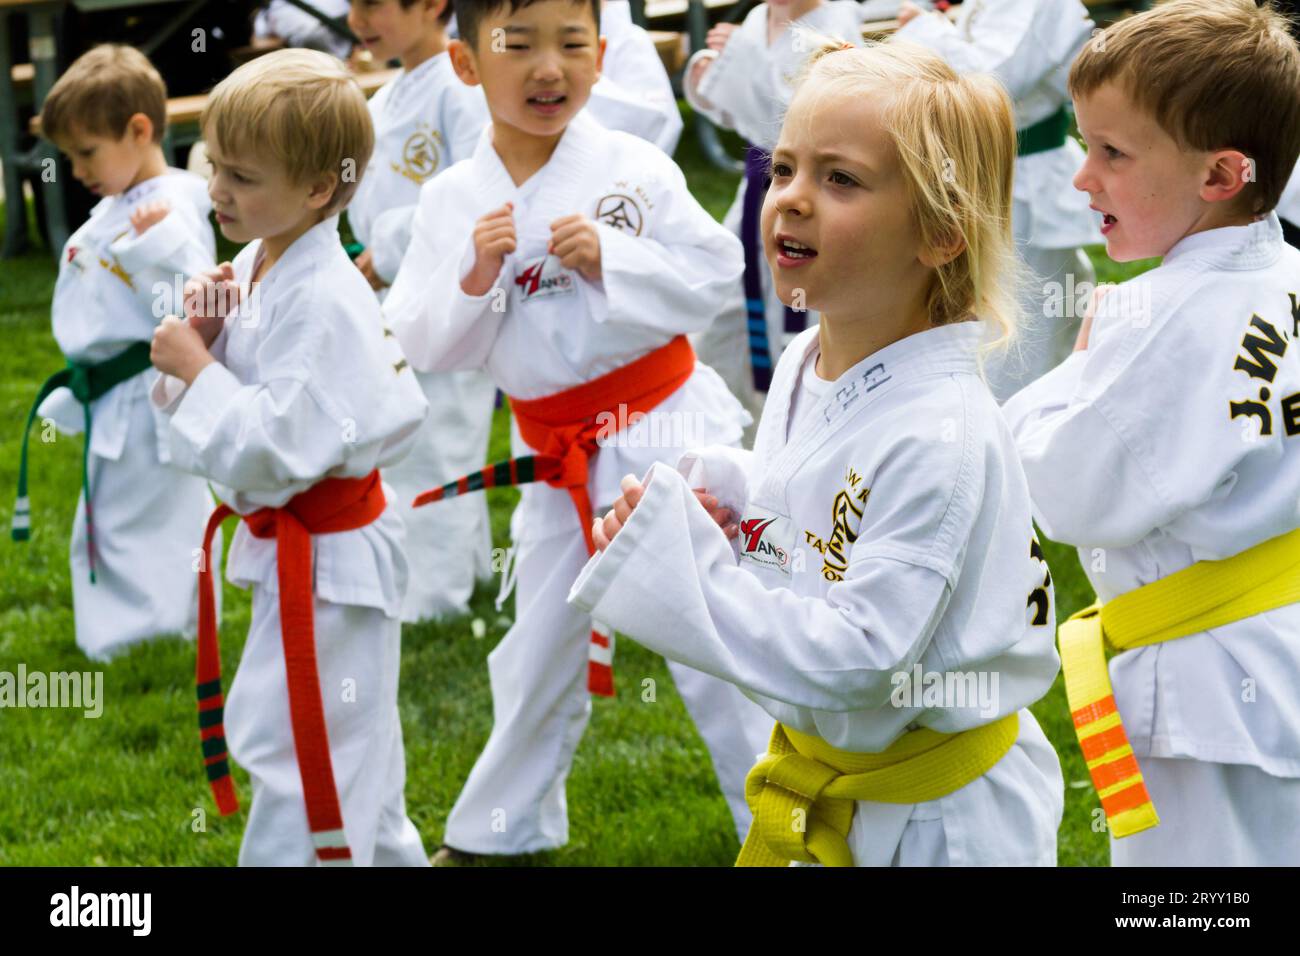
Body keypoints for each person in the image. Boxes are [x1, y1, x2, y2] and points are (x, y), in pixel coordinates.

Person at [571, 38, 1064, 866]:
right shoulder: (812, 356)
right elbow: (811, 502)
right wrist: (729, 507)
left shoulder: (940, 433)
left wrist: (684, 566)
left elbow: (862, 659)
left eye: (841, 179)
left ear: (941, 232)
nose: (790, 198)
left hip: (941, 819)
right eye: (786, 166)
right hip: (849, 781)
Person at [384, 0, 773, 861]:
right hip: (551, 451)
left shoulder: (632, 169)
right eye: (516, 46)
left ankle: (779, 828)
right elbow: (418, 338)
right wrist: (474, 275)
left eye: (570, 45)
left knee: (712, 633)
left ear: (601, 58)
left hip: (662, 427)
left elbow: (718, 272)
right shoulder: (452, 200)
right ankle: (501, 828)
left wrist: (616, 260)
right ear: (465, 64)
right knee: (535, 643)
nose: (546, 68)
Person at [1002, 0, 1300, 866]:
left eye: (1112, 154)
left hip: (1203, 690)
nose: (1081, 180)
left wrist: (1078, 371)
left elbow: (1068, 493)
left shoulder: (1160, 317)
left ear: (1220, 175)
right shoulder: (1287, 277)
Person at [150, 49, 430, 867]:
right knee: (349, 750)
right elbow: (244, 422)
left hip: (332, 560)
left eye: (242, 175)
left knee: (304, 749)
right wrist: (207, 344)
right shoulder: (265, 259)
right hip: (308, 556)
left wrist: (197, 371)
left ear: (317, 189)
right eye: (213, 167)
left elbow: (279, 447)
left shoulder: (318, 297)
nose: (217, 191)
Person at [14, 44, 218, 661]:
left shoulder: (175, 204)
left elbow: (201, 289)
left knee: (150, 520)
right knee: (109, 518)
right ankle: (120, 636)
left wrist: (159, 240)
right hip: (113, 399)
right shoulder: (116, 203)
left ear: (139, 130)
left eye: (85, 153)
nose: (75, 171)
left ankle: (151, 636)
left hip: (148, 399)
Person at [347, 0, 497, 621]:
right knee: (408, 429)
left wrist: (388, 247)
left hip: (447, 285)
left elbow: (478, 187)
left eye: (373, 4)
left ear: (434, 5)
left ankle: (434, 596)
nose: (358, 18)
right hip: (389, 288)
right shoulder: (386, 97)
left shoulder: (463, 88)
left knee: (441, 434)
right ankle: (471, 564)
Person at [895, 0, 1101, 401]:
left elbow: (992, 81)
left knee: (1023, 321)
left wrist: (926, 28)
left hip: (1023, 182)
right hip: (985, 173)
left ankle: (1017, 430)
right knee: (975, 310)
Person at [684, 0, 866, 416]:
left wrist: (739, 59)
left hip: (807, 197)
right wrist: (709, 77)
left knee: (796, 311)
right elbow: (741, 113)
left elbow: (816, 119)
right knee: (726, 303)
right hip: (756, 191)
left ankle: (797, 414)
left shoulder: (835, 23)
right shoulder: (757, 18)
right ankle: (727, 423)